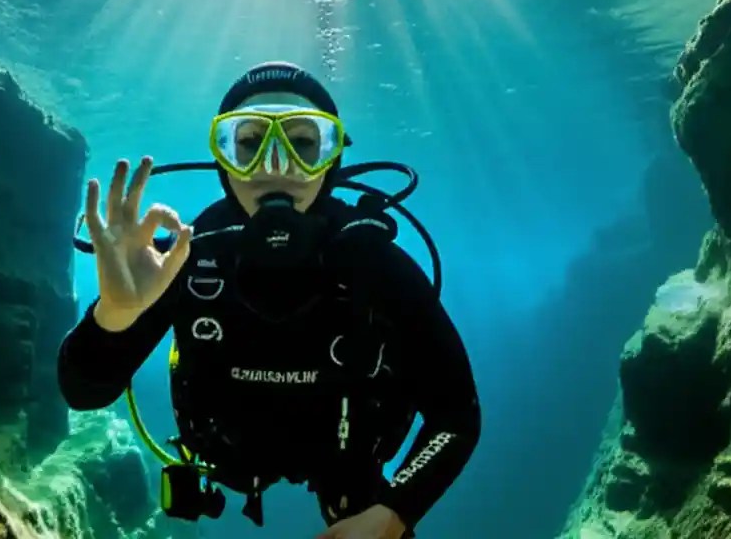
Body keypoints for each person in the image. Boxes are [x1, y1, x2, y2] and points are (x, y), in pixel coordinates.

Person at [57, 62, 481, 539]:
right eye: (249, 142)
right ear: (222, 158)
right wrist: (114, 315)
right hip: (228, 458)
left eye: (302, 143)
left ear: (331, 157)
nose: (276, 166)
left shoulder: (372, 261)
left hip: (348, 468)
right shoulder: (186, 261)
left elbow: (456, 415)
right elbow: (84, 392)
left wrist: (395, 510)